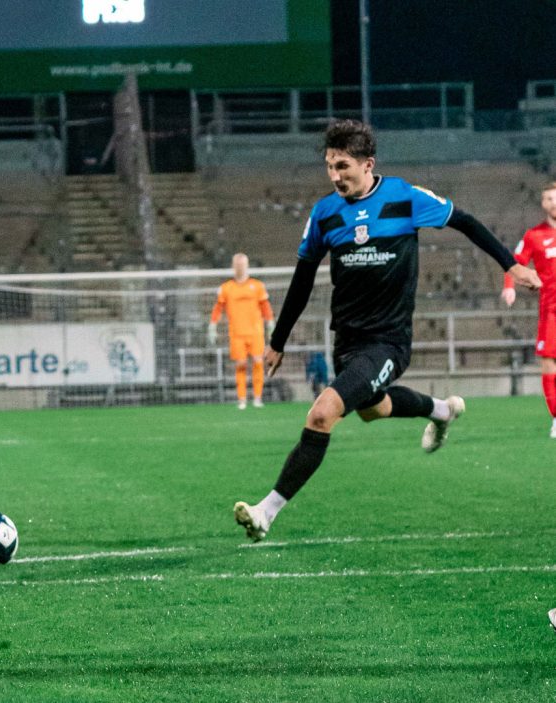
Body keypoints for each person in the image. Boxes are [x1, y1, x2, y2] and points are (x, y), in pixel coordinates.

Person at [233, 119, 541, 542]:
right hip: (347, 340)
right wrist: (278, 341)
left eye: (343, 166)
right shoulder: (325, 213)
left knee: (322, 413)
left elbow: (466, 221)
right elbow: (303, 279)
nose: (335, 175)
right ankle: (442, 411)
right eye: (329, 166)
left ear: (368, 164)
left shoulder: (404, 197)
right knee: (372, 409)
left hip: (388, 342)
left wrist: (512, 265)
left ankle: (266, 511)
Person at [500, 181, 556, 439]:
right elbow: (515, 263)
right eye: (548, 199)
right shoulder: (534, 235)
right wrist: (509, 287)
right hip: (551, 310)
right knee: (548, 362)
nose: (553, 203)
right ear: (542, 204)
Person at [209, 253, 274, 409]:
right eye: (237, 265)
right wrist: (212, 325)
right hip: (236, 333)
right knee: (241, 364)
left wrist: (270, 323)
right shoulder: (226, 288)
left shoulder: (257, 286)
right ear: (233, 266)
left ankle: (257, 397)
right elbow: (218, 308)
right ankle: (242, 398)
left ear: (247, 266)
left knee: (258, 362)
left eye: (242, 264)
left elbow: (265, 306)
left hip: (256, 332)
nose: (240, 267)